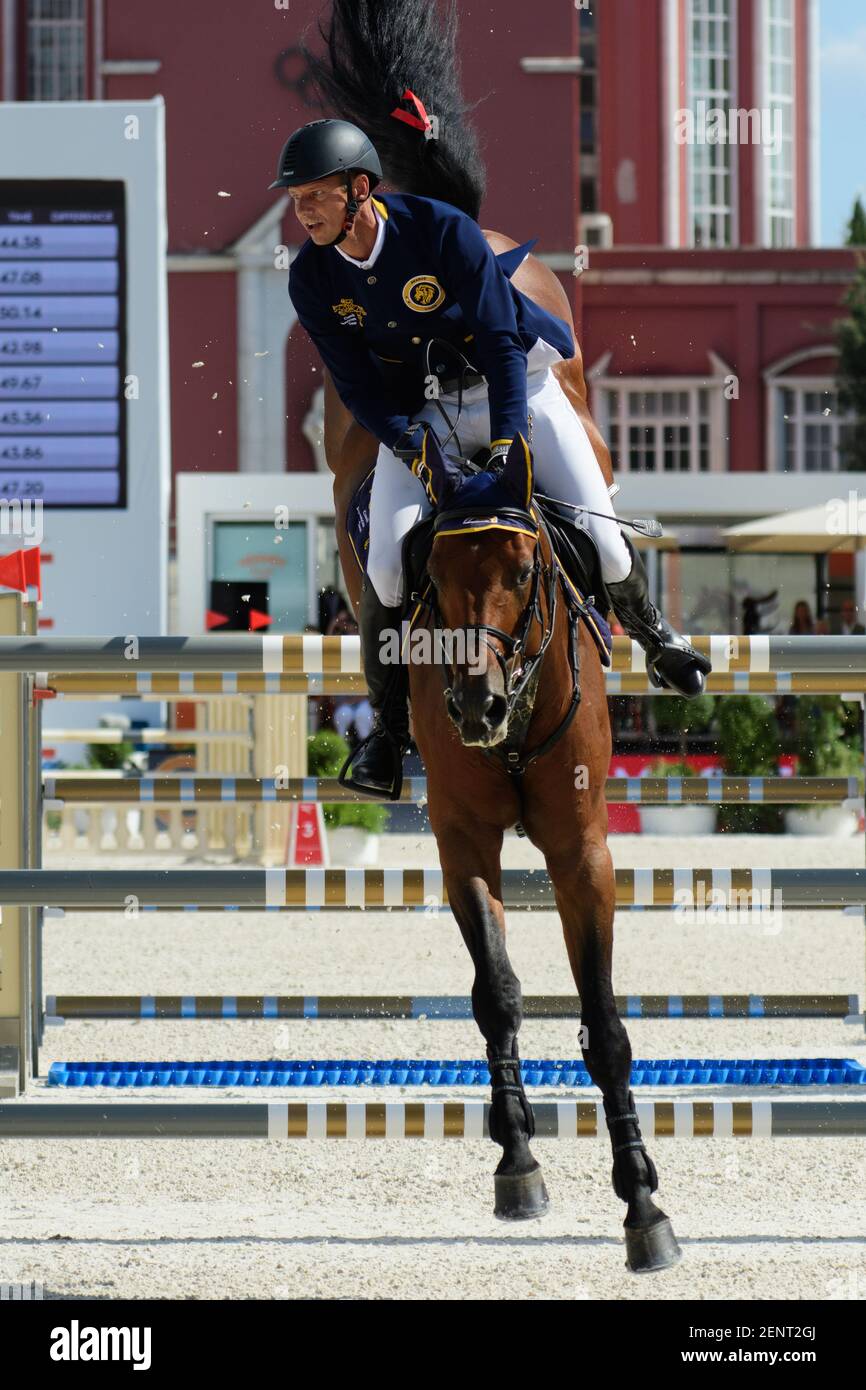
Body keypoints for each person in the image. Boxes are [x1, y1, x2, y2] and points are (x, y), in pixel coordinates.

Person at [273, 118, 711, 797]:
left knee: (605, 539)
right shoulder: (311, 277)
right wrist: (406, 440)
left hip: (515, 387)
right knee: (385, 568)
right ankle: (387, 740)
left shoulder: (441, 232)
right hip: (422, 417)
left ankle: (658, 641)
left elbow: (504, 345)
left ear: (360, 190)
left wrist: (507, 439)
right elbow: (354, 384)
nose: (301, 211)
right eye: (296, 199)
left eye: (313, 196)